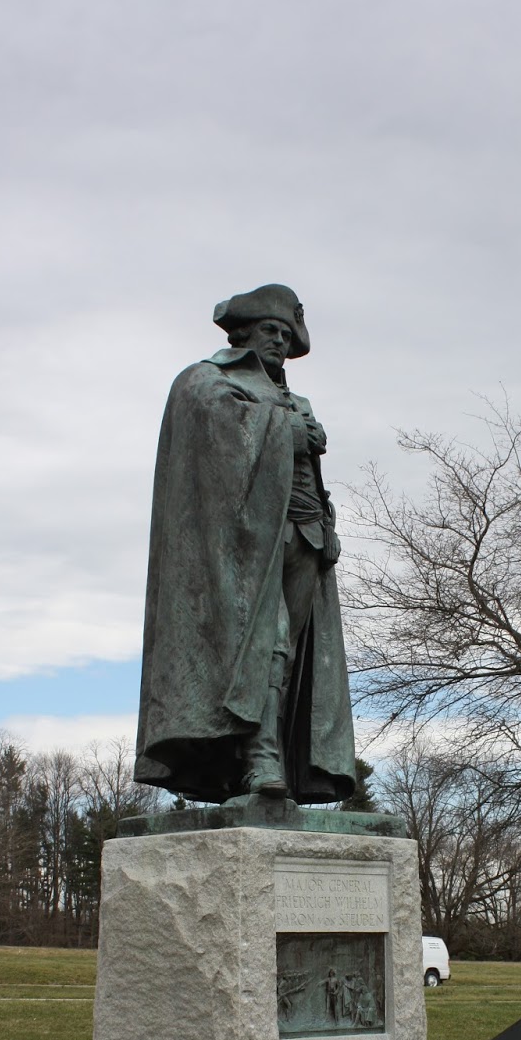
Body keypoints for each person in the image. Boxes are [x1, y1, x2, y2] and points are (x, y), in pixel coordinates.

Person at [134, 284, 356, 803]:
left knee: (292, 653)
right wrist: (286, 430)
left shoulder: (293, 399)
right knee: (268, 641)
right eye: (269, 331)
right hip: (241, 544)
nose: (278, 342)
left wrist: (325, 519)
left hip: (304, 535)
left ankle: (266, 756)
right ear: (244, 333)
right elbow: (215, 435)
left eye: (286, 334)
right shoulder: (206, 380)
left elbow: (302, 472)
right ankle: (260, 761)